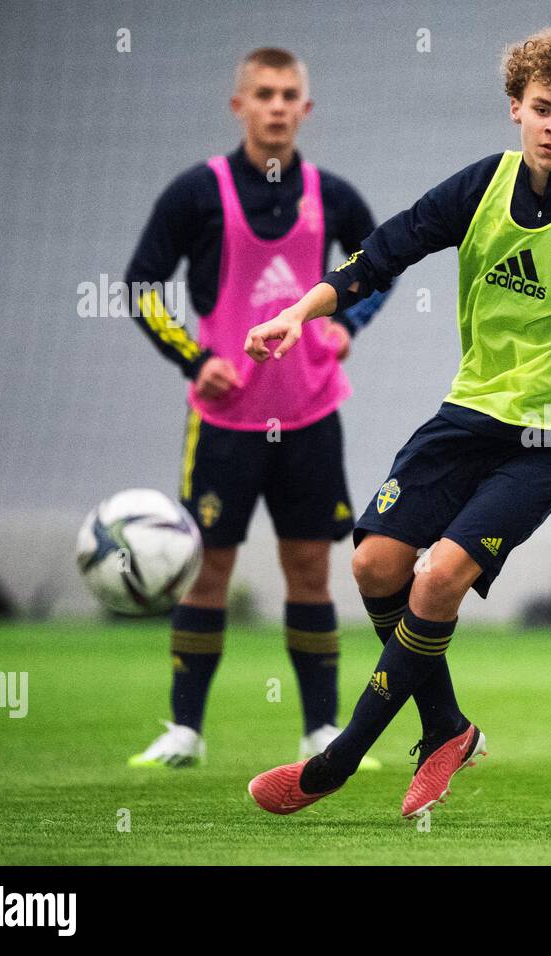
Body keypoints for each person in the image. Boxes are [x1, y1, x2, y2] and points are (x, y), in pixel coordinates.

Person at [243, 25, 551, 818]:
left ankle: (335, 763)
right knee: (377, 566)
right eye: (542, 108)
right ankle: (446, 728)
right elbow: (383, 253)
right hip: (470, 412)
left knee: (441, 573)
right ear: (516, 107)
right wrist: (297, 314)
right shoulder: (482, 186)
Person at [124, 48, 387, 769]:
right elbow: (142, 284)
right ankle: (184, 731)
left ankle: (321, 733)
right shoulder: (196, 193)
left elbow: (381, 268)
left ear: (307, 109)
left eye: (289, 95)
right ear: (238, 105)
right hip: (223, 424)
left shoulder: (332, 196)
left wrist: (348, 324)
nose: (276, 106)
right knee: (205, 570)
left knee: (310, 570)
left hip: (309, 415)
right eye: (263, 94)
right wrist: (192, 358)